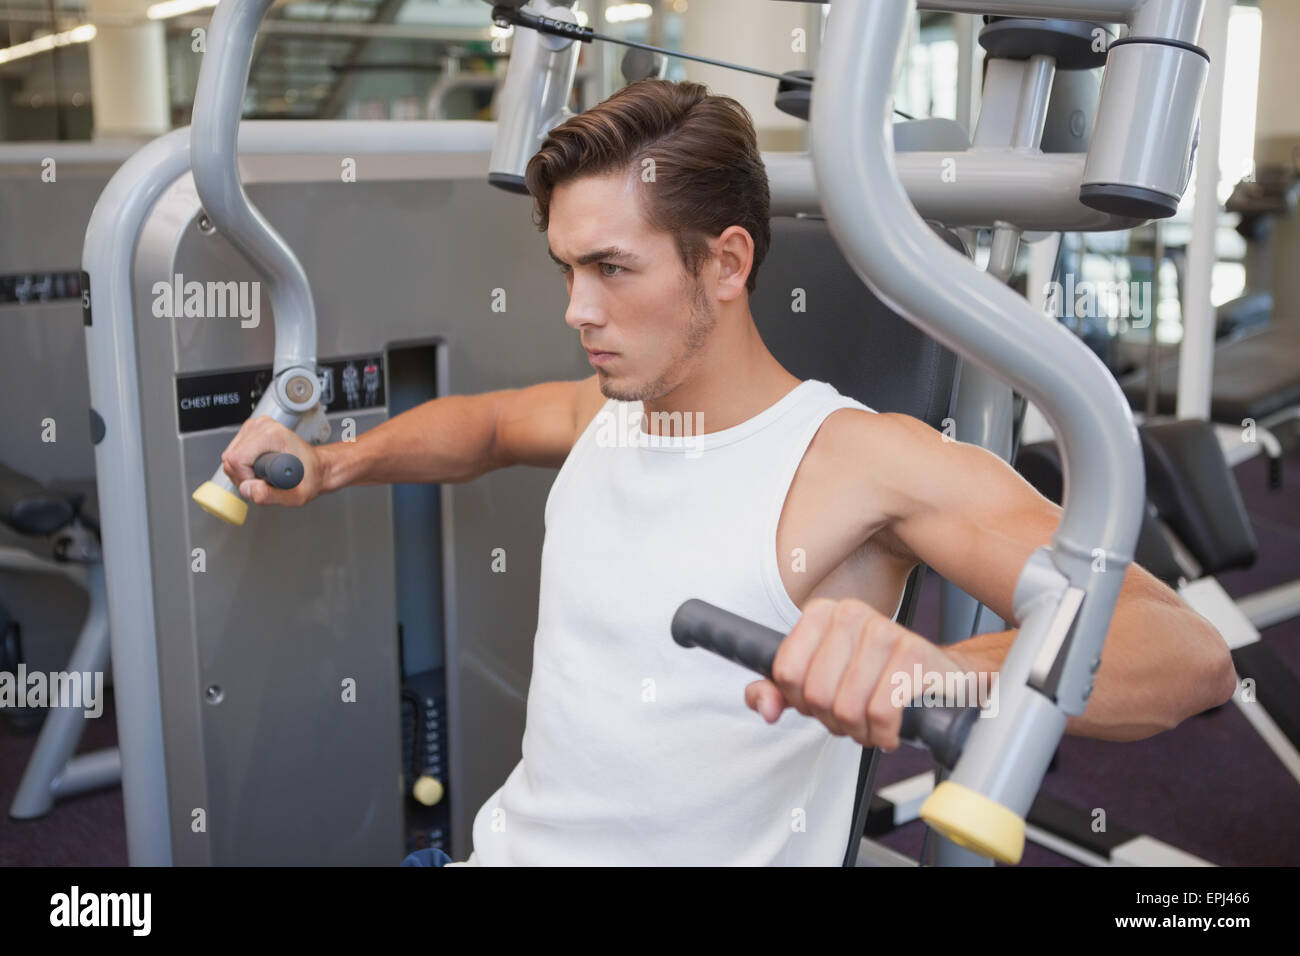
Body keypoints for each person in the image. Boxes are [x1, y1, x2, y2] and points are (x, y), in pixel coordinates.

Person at [218, 79, 1237, 866]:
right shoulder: (605, 408)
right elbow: (482, 428)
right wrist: (335, 461)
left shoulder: (858, 459)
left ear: (727, 263)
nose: (576, 308)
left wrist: (933, 668)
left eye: (612, 269)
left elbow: (1187, 657)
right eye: (566, 270)